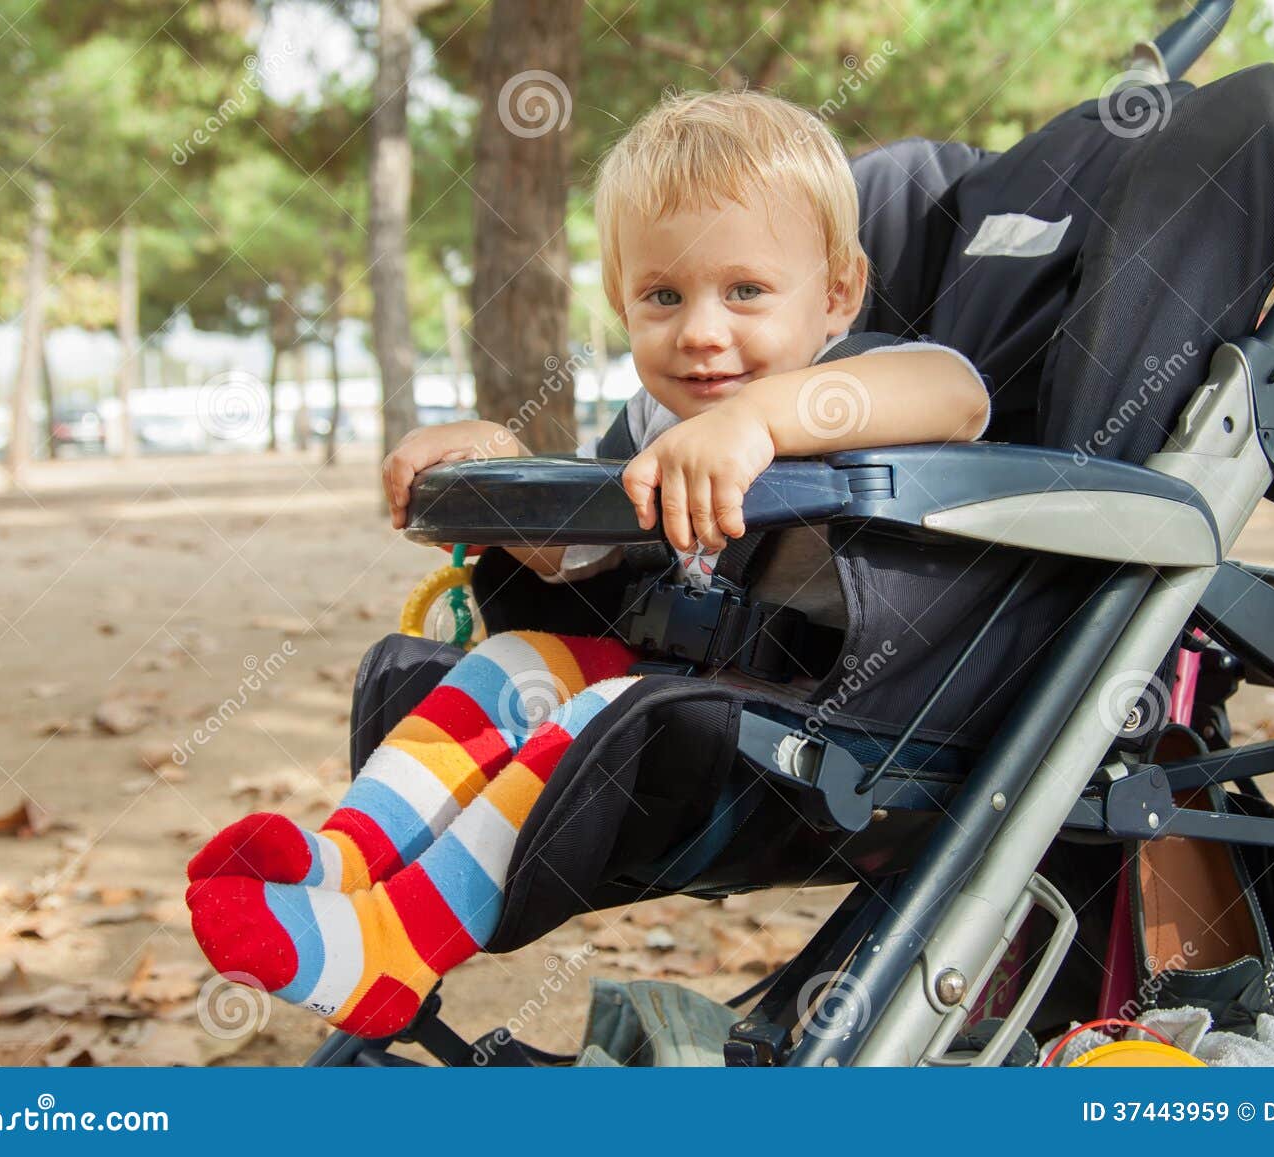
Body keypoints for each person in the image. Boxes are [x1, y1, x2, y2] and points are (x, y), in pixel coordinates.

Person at [186, 89, 989, 1039]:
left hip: (837, 724)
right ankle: (349, 860)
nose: (700, 330)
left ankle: (400, 938)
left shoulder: (860, 376)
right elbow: (581, 555)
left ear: (839, 296)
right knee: (511, 663)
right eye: (663, 296)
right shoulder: (659, 420)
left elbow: (960, 394)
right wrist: (491, 468)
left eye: (746, 291)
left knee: (606, 712)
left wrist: (764, 421)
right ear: (622, 303)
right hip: (686, 695)